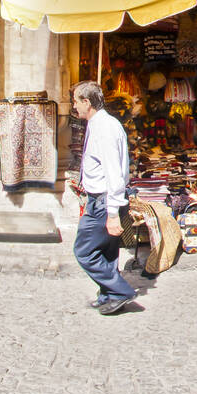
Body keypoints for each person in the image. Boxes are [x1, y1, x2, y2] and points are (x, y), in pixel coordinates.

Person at [71, 81, 140, 315]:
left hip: (102, 203)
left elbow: (113, 172)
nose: (74, 106)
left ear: (86, 102)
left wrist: (112, 214)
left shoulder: (105, 128)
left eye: (75, 101)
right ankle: (108, 294)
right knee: (107, 253)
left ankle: (120, 291)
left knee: (84, 251)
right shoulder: (98, 124)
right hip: (100, 199)